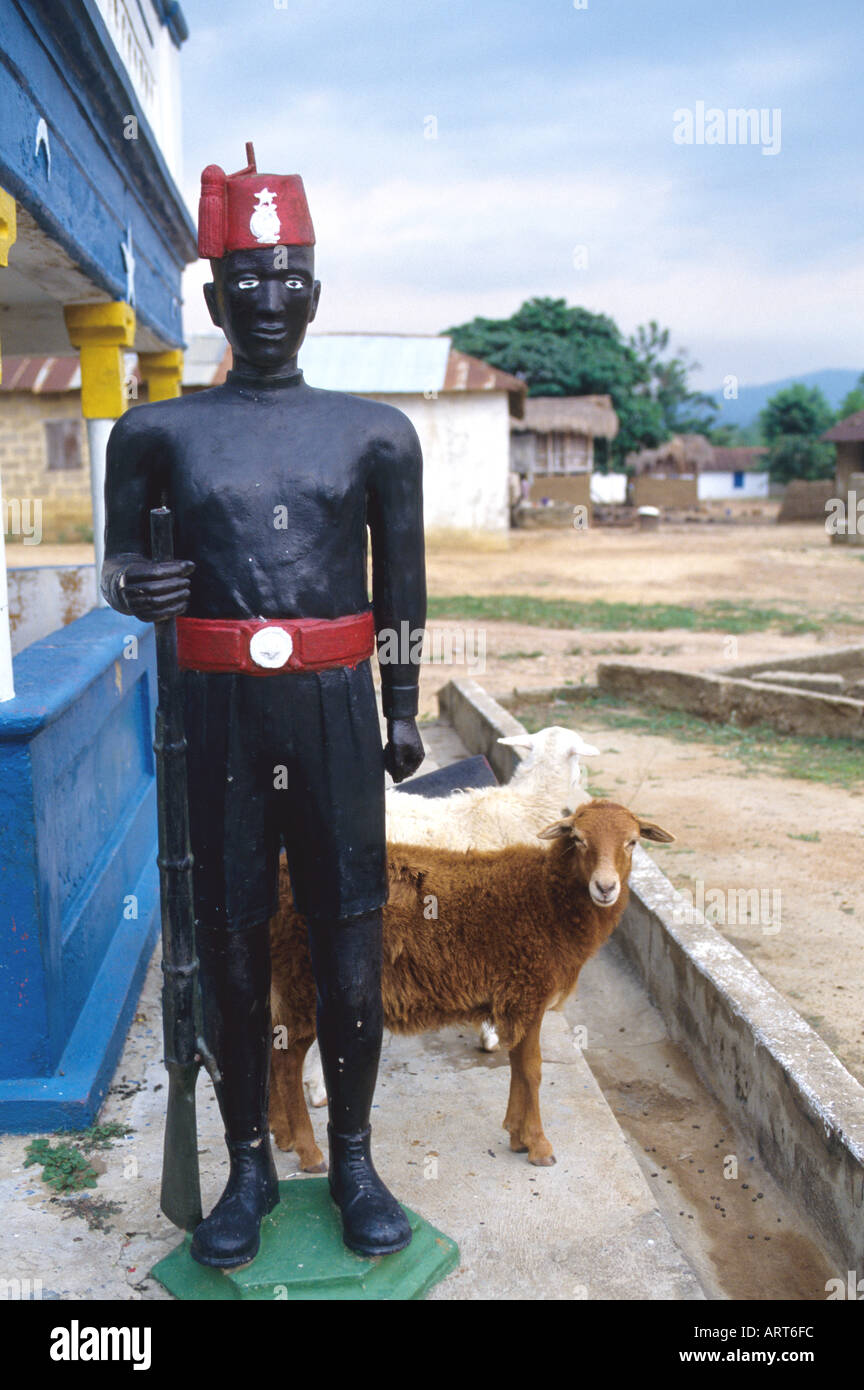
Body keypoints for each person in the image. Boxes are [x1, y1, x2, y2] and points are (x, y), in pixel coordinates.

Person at [102, 145, 426, 1267]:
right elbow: (115, 570)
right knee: (229, 949)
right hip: (219, 722)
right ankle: (245, 1161)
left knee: (350, 949)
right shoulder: (156, 435)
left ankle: (351, 1155)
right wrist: (128, 585)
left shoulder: (377, 432)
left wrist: (401, 703)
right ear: (213, 295)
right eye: (250, 278)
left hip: (337, 716)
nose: (272, 299)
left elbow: (403, 585)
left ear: (319, 292)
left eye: (291, 277)